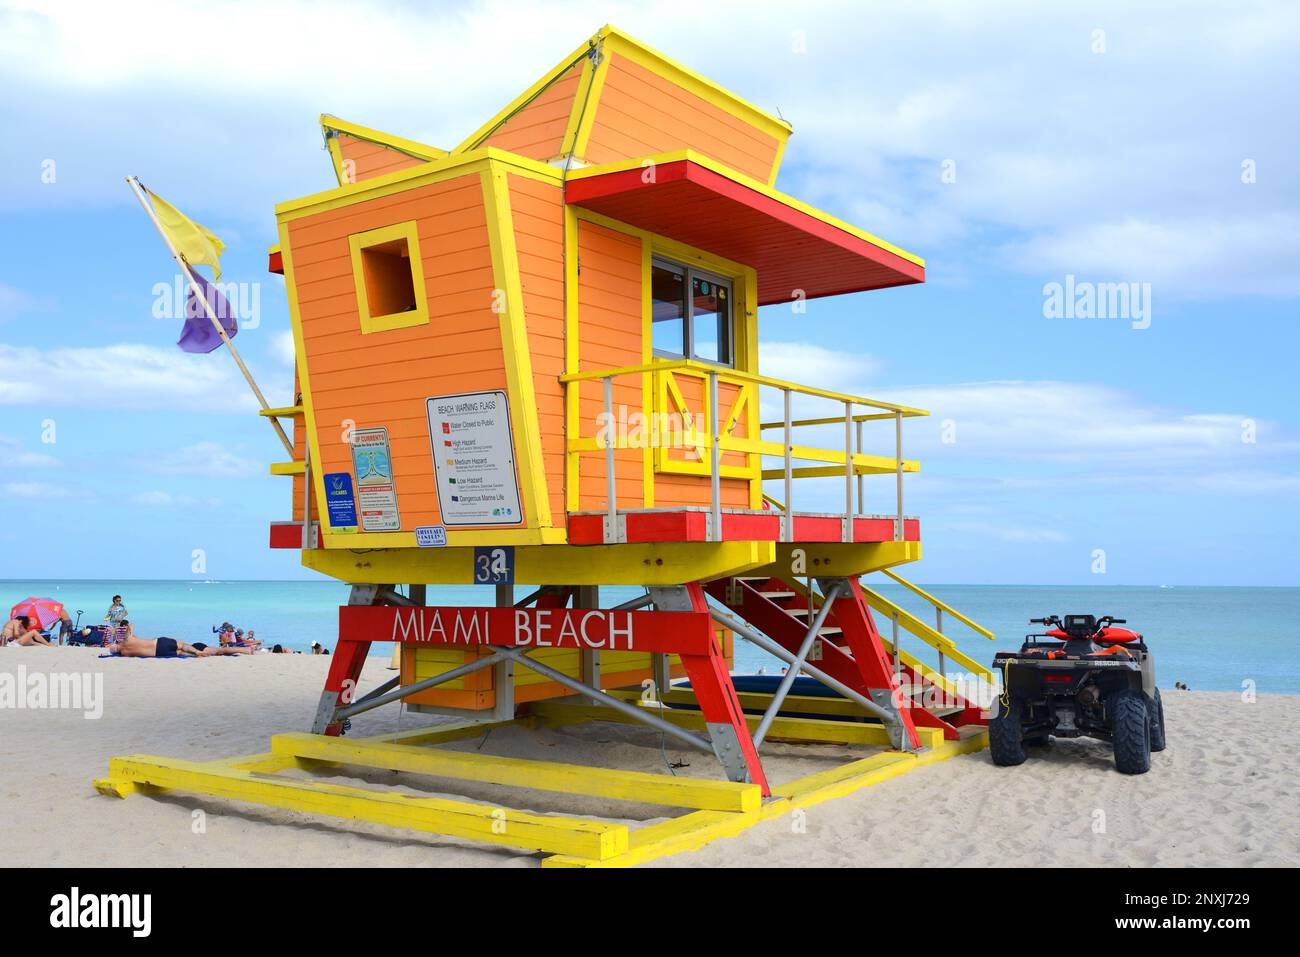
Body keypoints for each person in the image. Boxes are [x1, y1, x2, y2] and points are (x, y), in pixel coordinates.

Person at [104, 633, 251, 658]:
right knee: (182, 645)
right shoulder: (128, 640)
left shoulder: (125, 653)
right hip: (159, 642)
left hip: (158, 653)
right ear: (117, 644)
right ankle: (196, 652)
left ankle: (194, 654)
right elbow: (131, 626)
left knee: (180, 653)